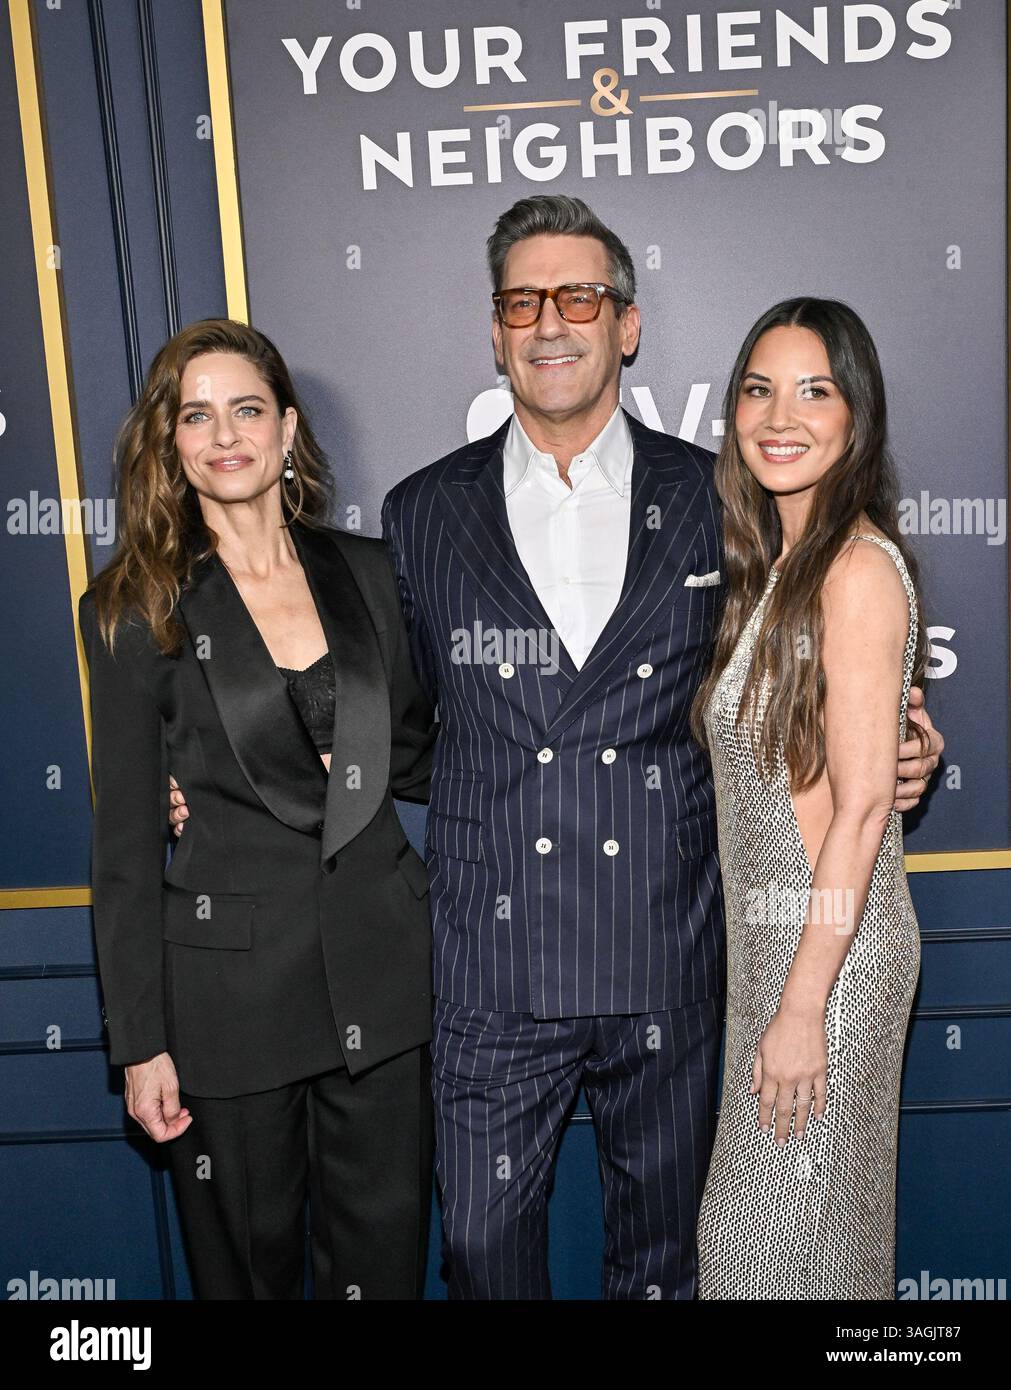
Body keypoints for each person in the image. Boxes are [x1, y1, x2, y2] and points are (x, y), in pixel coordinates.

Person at [377, 195, 943, 1298]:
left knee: (679, 1267)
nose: (553, 322)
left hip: (672, 962)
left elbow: (825, 673)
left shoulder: (720, 496)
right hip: (495, 972)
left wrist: (898, 748)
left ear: (625, 326)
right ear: (495, 331)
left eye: (580, 296)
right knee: (483, 1259)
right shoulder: (421, 513)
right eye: (523, 300)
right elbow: (393, 724)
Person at [78, 318, 437, 1299]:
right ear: (171, 443)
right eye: (197, 416)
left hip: (382, 985)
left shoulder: (369, 572)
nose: (225, 434)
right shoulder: (133, 607)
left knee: (385, 1274)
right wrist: (139, 1042)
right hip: (228, 1009)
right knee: (246, 1280)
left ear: (286, 430)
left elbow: (421, 756)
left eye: (246, 409)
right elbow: (120, 850)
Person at [692, 298, 929, 1299]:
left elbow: (868, 802)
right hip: (782, 950)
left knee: (762, 1258)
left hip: (827, 958)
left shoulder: (856, 567)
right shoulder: (784, 565)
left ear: (856, 415)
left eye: (813, 391)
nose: (778, 415)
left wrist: (802, 1003)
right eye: (758, 390)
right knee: (803, 1259)